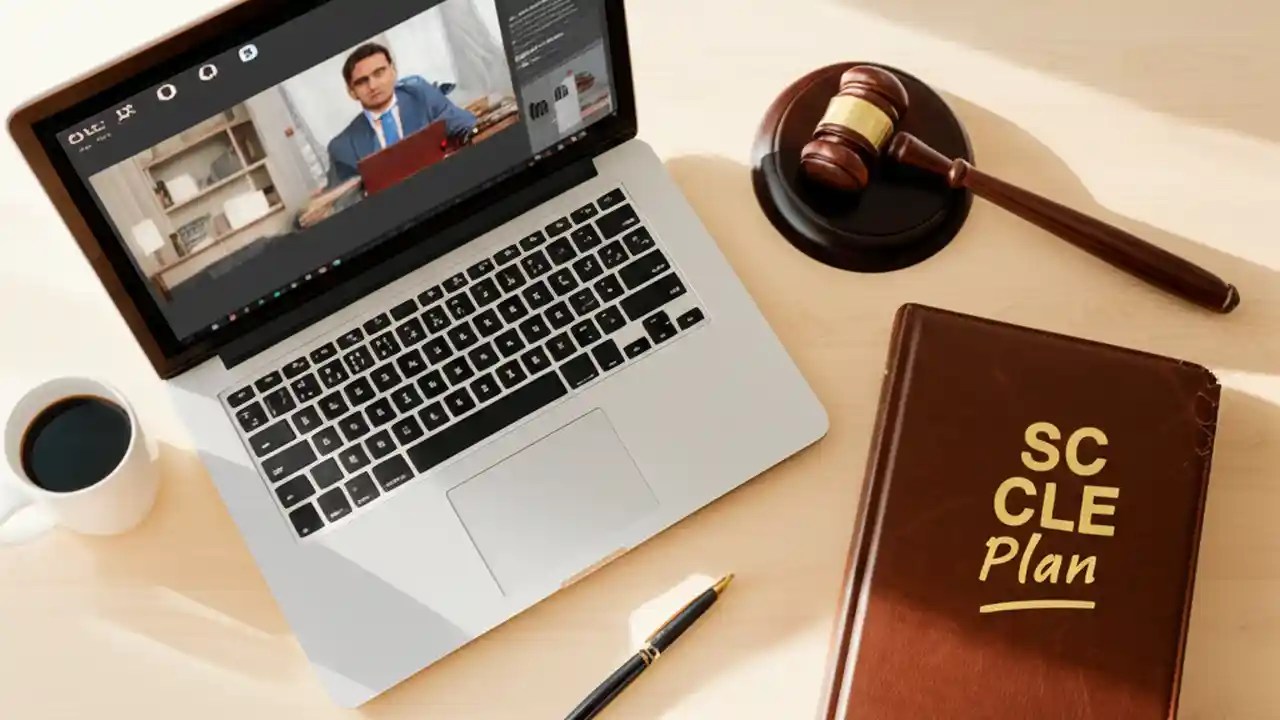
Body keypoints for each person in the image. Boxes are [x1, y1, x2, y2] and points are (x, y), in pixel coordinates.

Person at [326, 43, 477, 185]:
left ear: (393, 71)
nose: (373, 86)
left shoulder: (420, 95)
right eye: (362, 82)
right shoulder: (342, 147)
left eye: (379, 73)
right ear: (352, 92)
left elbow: (465, 123)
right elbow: (342, 203)